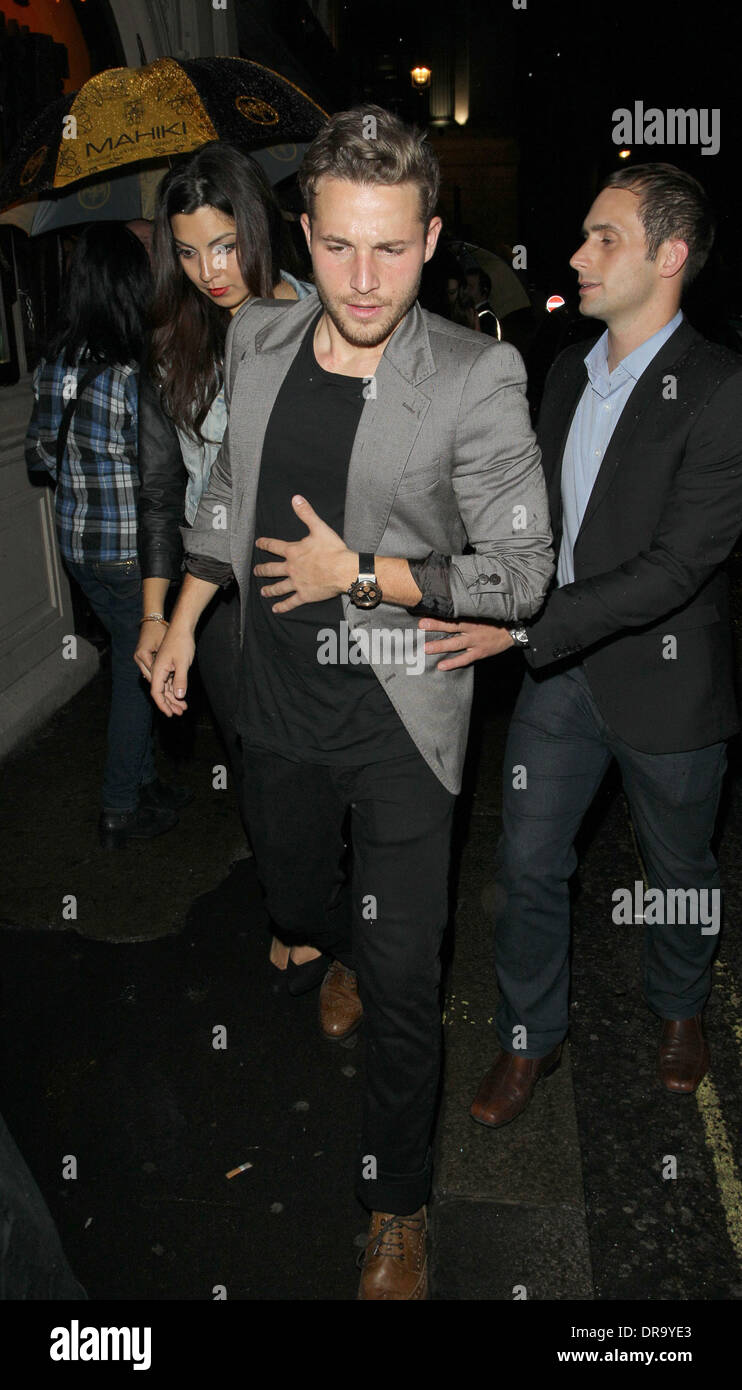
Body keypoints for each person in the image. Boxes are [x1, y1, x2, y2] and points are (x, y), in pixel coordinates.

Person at [146, 104, 553, 1298]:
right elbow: (221, 501)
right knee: (293, 894)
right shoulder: (261, 343)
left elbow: (521, 572)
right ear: (304, 236)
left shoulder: (478, 375)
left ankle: (395, 1207)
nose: (362, 279)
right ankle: (336, 941)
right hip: (266, 699)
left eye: (390, 247)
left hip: (397, 717)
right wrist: (177, 626)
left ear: (431, 239)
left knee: (407, 974)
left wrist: (364, 573)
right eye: (337, 247)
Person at [417, 164, 742, 1123]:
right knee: (525, 862)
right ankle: (530, 1040)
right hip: (561, 676)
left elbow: (678, 568)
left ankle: (680, 1010)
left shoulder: (721, 391)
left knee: (679, 869)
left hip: (666, 683)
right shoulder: (565, 369)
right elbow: (535, 520)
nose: (575, 256)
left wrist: (519, 625)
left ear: (670, 258)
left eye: (605, 239)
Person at [133, 142, 318, 986]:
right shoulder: (178, 344)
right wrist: (155, 616)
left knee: (332, 759)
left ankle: (337, 909)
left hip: (326, 577)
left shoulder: (329, 319)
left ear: (258, 227)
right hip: (224, 600)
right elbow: (162, 490)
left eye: (223, 242)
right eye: (187, 249)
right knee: (258, 761)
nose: (210, 269)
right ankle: (297, 911)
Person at [25, 224, 185, 849]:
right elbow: (160, 478)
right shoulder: (129, 376)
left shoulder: (51, 366)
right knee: (138, 671)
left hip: (76, 549)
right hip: (127, 556)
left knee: (128, 660)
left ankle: (142, 784)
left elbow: (39, 457)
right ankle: (120, 805)